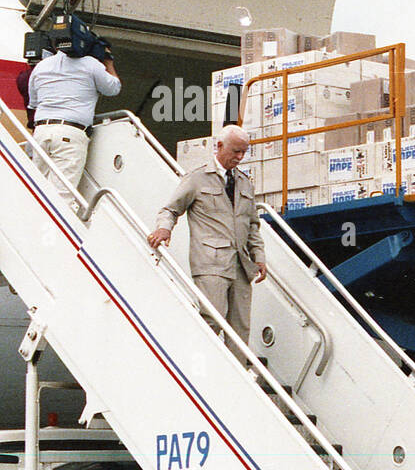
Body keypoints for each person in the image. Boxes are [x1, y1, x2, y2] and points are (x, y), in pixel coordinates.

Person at [147, 126, 268, 354]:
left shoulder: (244, 182)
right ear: (219, 146)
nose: (240, 157)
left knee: (240, 329)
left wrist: (259, 256)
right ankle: (202, 373)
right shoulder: (197, 179)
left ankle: (235, 381)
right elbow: (170, 209)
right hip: (211, 263)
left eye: (244, 152)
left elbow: (252, 224)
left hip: (241, 265)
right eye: (235, 151)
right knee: (212, 320)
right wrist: (164, 229)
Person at [26, 40, 120, 201]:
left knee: (35, 190)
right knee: (62, 196)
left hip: (41, 131)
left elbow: (33, 102)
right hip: (70, 133)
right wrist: (108, 61)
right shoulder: (91, 64)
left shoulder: (42, 66)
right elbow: (114, 88)